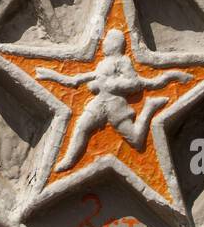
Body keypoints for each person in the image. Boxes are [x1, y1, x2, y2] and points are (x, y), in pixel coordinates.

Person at [37, 29, 192, 171]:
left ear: (115, 44)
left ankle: (149, 107)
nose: (103, 44)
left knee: (137, 140)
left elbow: (133, 83)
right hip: (98, 104)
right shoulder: (102, 64)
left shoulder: (123, 61)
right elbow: (75, 80)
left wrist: (110, 84)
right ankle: (69, 159)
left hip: (115, 105)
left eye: (107, 42)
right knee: (81, 127)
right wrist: (50, 75)